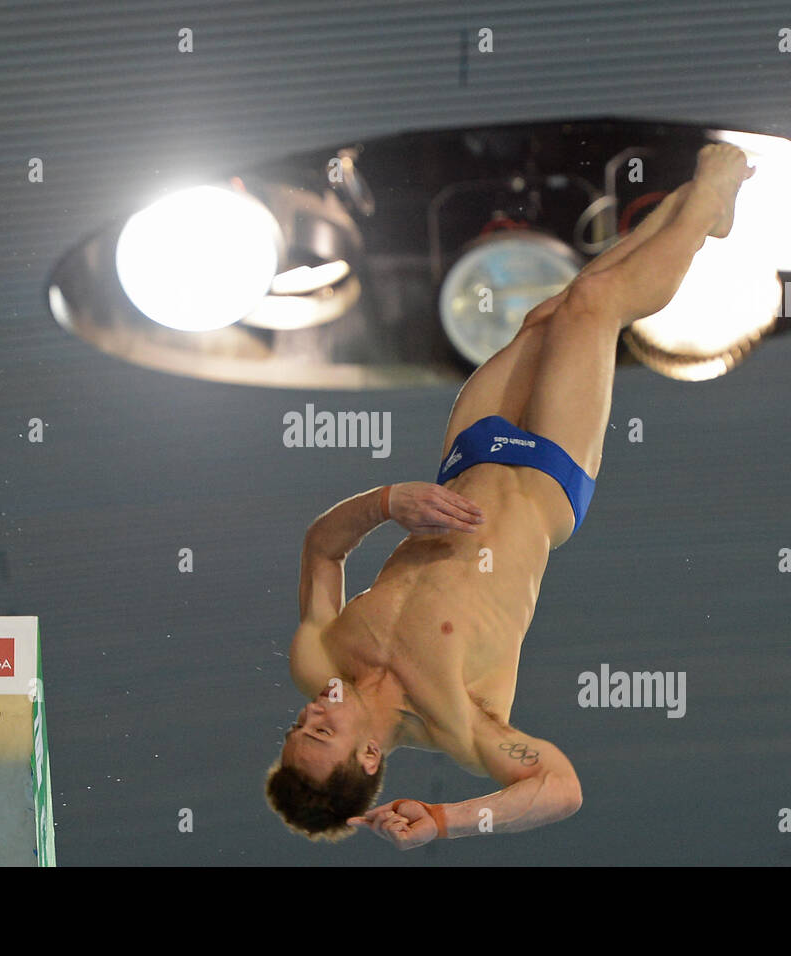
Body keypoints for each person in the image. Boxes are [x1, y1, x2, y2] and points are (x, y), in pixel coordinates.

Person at [265, 144, 755, 848]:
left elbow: (320, 547)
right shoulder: (459, 721)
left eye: (296, 728)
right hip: (546, 479)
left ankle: (696, 215)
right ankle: (711, 189)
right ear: (368, 757)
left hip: (464, 459)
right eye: (321, 734)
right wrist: (447, 820)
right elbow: (561, 788)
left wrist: (385, 503)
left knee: (548, 314)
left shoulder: (322, 658)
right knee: (595, 305)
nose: (310, 714)